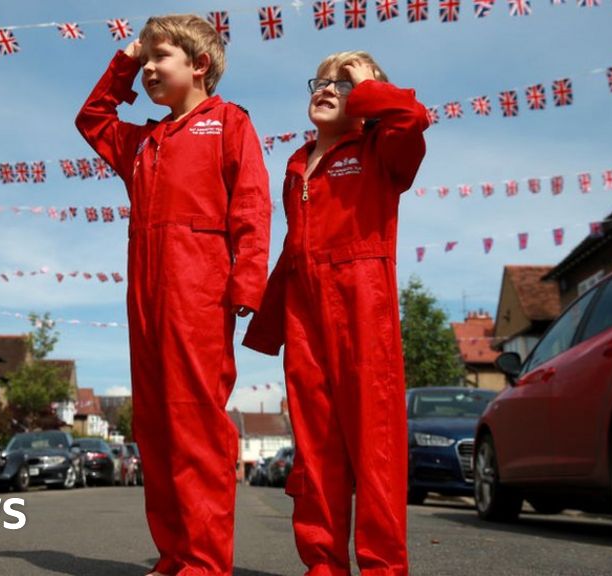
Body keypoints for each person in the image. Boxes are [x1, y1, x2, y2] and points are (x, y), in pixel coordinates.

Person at [75, 14, 271, 576]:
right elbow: (92, 118)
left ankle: (206, 561)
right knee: (154, 426)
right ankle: (176, 553)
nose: (150, 69)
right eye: (147, 60)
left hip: (199, 287)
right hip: (145, 289)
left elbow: (253, 205)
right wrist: (126, 60)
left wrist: (246, 281)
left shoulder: (229, 122)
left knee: (194, 422)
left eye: (161, 58)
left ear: (200, 64)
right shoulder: (142, 140)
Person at [243, 51, 429, 576]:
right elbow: (294, 248)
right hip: (305, 313)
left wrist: (366, 86)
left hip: (362, 305)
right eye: (322, 81)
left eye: (342, 84)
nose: (327, 89)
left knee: (375, 449)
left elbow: (411, 118)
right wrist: (267, 319)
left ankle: (382, 568)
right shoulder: (296, 164)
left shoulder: (382, 149)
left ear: (369, 98)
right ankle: (322, 565)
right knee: (316, 449)